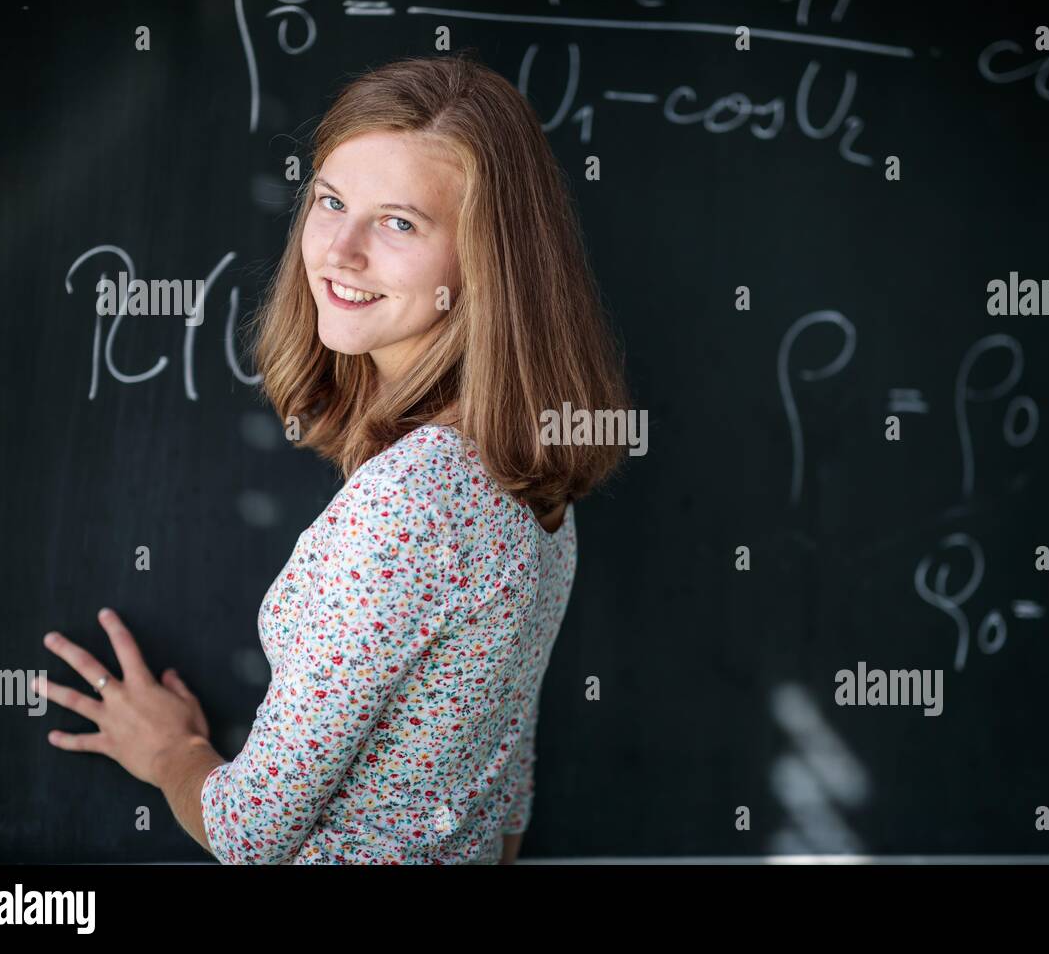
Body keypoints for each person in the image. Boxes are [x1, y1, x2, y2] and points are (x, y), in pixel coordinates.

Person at [33, 53, 631, 864]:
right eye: (330, 201)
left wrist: (170, 752)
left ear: (486, 262)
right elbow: (506, 786)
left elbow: (251, 835)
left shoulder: (410, 500)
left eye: (400, 222)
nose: (339, 252)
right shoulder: (526, 467)